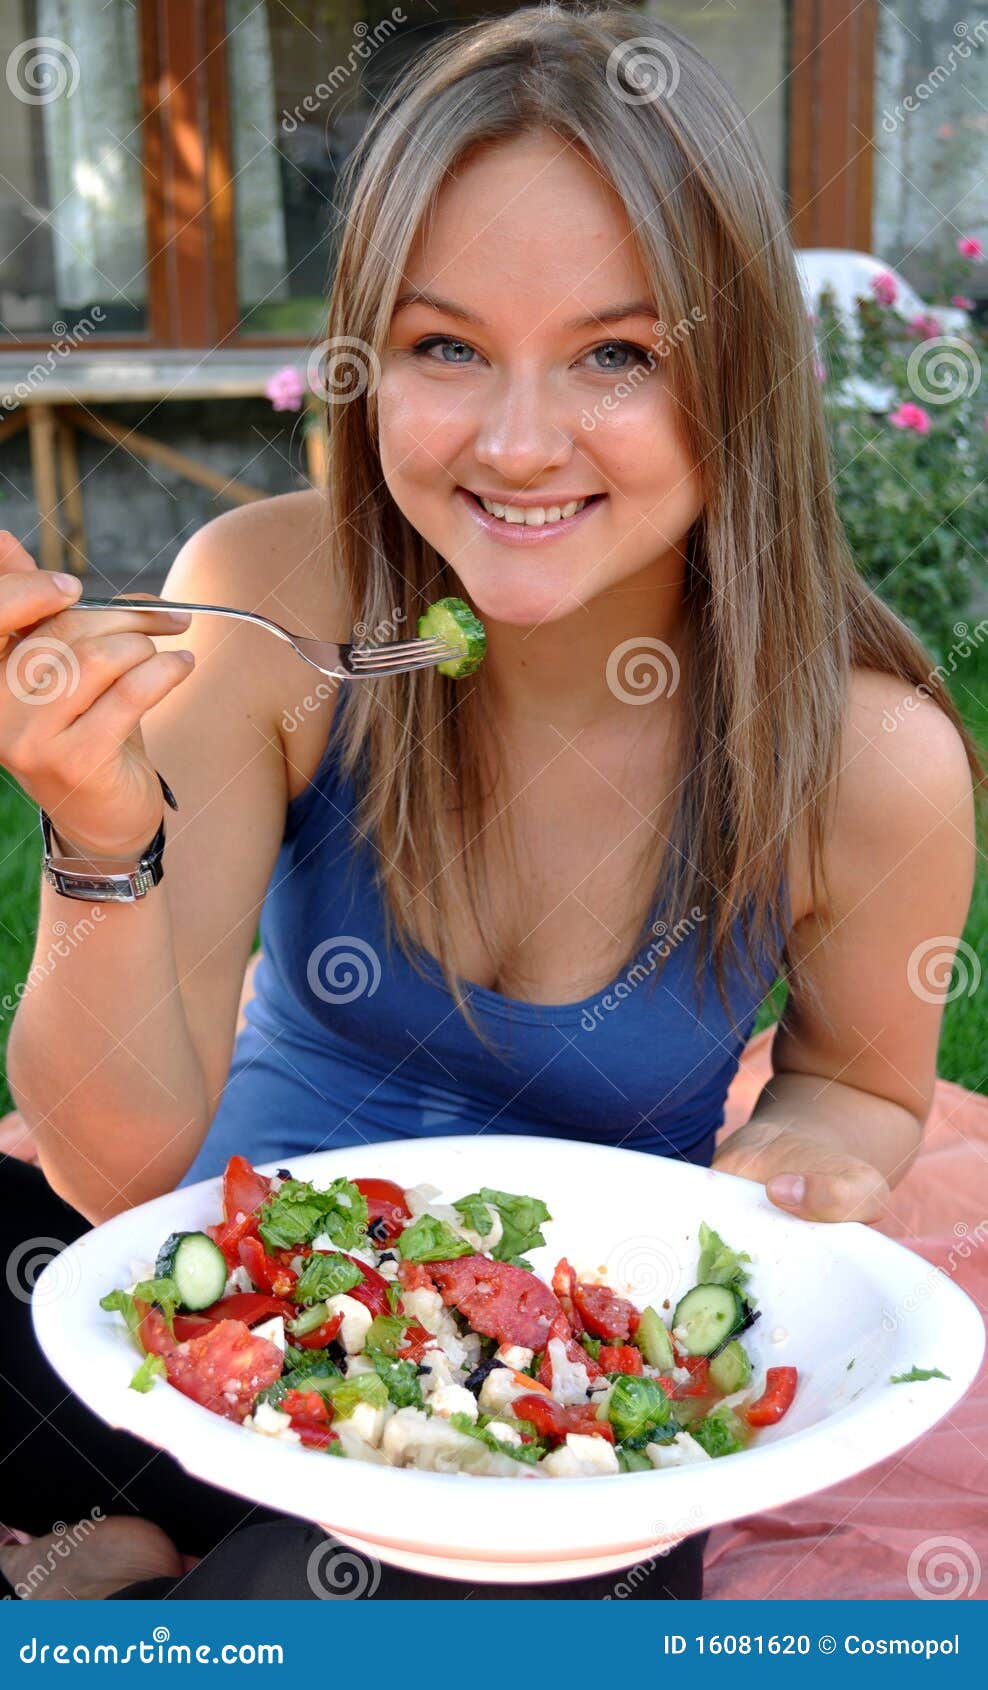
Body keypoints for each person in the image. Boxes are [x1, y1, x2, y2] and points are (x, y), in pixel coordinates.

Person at [0, 3, 981, 1601]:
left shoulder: (868, 758)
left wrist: (794, 1172)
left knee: (377, 1598)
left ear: (733, 372)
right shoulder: (268, 600)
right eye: (447, 347)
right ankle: (150, 1541)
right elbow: (116, 1170)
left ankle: (153, 1580)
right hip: (211, 1314)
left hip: (551, 1424)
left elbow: (863, 1090)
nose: (520, 446)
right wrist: (101, 841)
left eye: (618, 354)